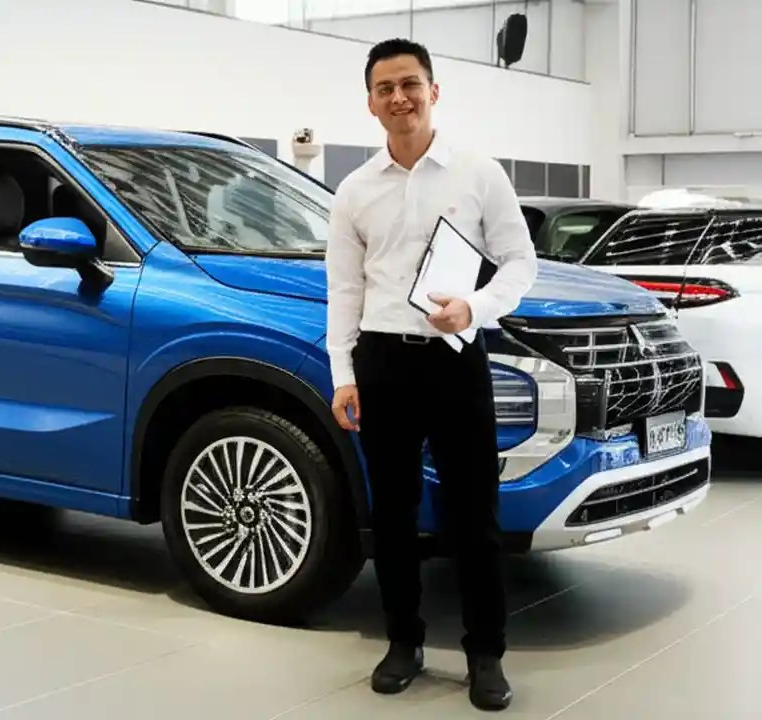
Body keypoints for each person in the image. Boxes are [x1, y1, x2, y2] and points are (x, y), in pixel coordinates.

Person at [324, 38, 537, 712]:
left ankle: (485, 654)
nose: (399, 98)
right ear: (370, 102)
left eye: (411, 83)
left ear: (434, 91)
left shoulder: (477, 172)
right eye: (385, 88)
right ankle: (403, 641)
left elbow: (519, 261)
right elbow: (344, 292)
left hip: (455, 359)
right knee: (390, 515)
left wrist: (475, 306)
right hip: (382, 362)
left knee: (474, 515)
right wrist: (343, 374)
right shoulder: (354, 191)